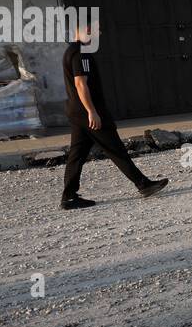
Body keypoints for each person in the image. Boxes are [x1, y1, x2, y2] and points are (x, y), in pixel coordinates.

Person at [60, 26, 167, 210]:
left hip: (76, 112)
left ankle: (69, 197)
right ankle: (143, 185)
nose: (99, 34)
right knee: (115, 148)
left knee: (76, 155)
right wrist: (92, 111)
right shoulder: (81, 54)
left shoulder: (71, 50)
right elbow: (80, 83)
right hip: (88, 113)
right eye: (97, 30)